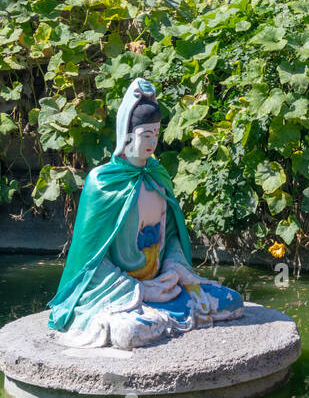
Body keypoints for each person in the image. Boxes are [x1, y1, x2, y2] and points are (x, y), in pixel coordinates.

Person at [49, 78, 244, 349]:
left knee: (232, 301)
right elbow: (91, 262)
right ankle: (145, 310)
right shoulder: (103, 182)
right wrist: (139, 290)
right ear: (127, 136)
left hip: (161, 284)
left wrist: (174, 271)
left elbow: (172, 237)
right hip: (118, 291)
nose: (152, 142)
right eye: (145, 135)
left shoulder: (158, 175)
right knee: (129, 333)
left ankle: (159, 309)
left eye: (156, 133)